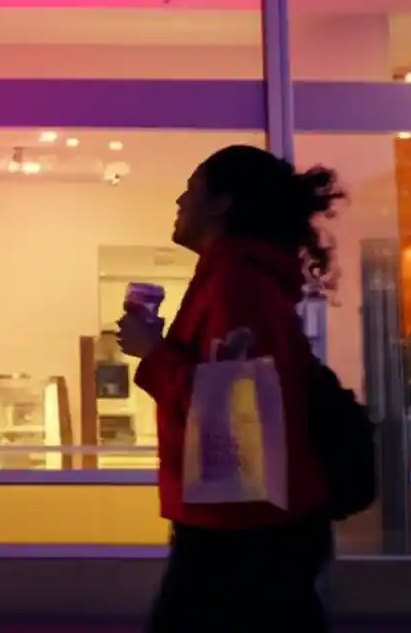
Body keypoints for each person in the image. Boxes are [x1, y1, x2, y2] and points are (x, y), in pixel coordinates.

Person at [117, 144, 344, 632]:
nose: (179, 201)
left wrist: (153, 352)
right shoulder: (241, 279)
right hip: (253, 520)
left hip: (240, 527)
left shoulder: (235, 287)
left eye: (191, 188)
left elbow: (233, 413)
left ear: (221, 204)